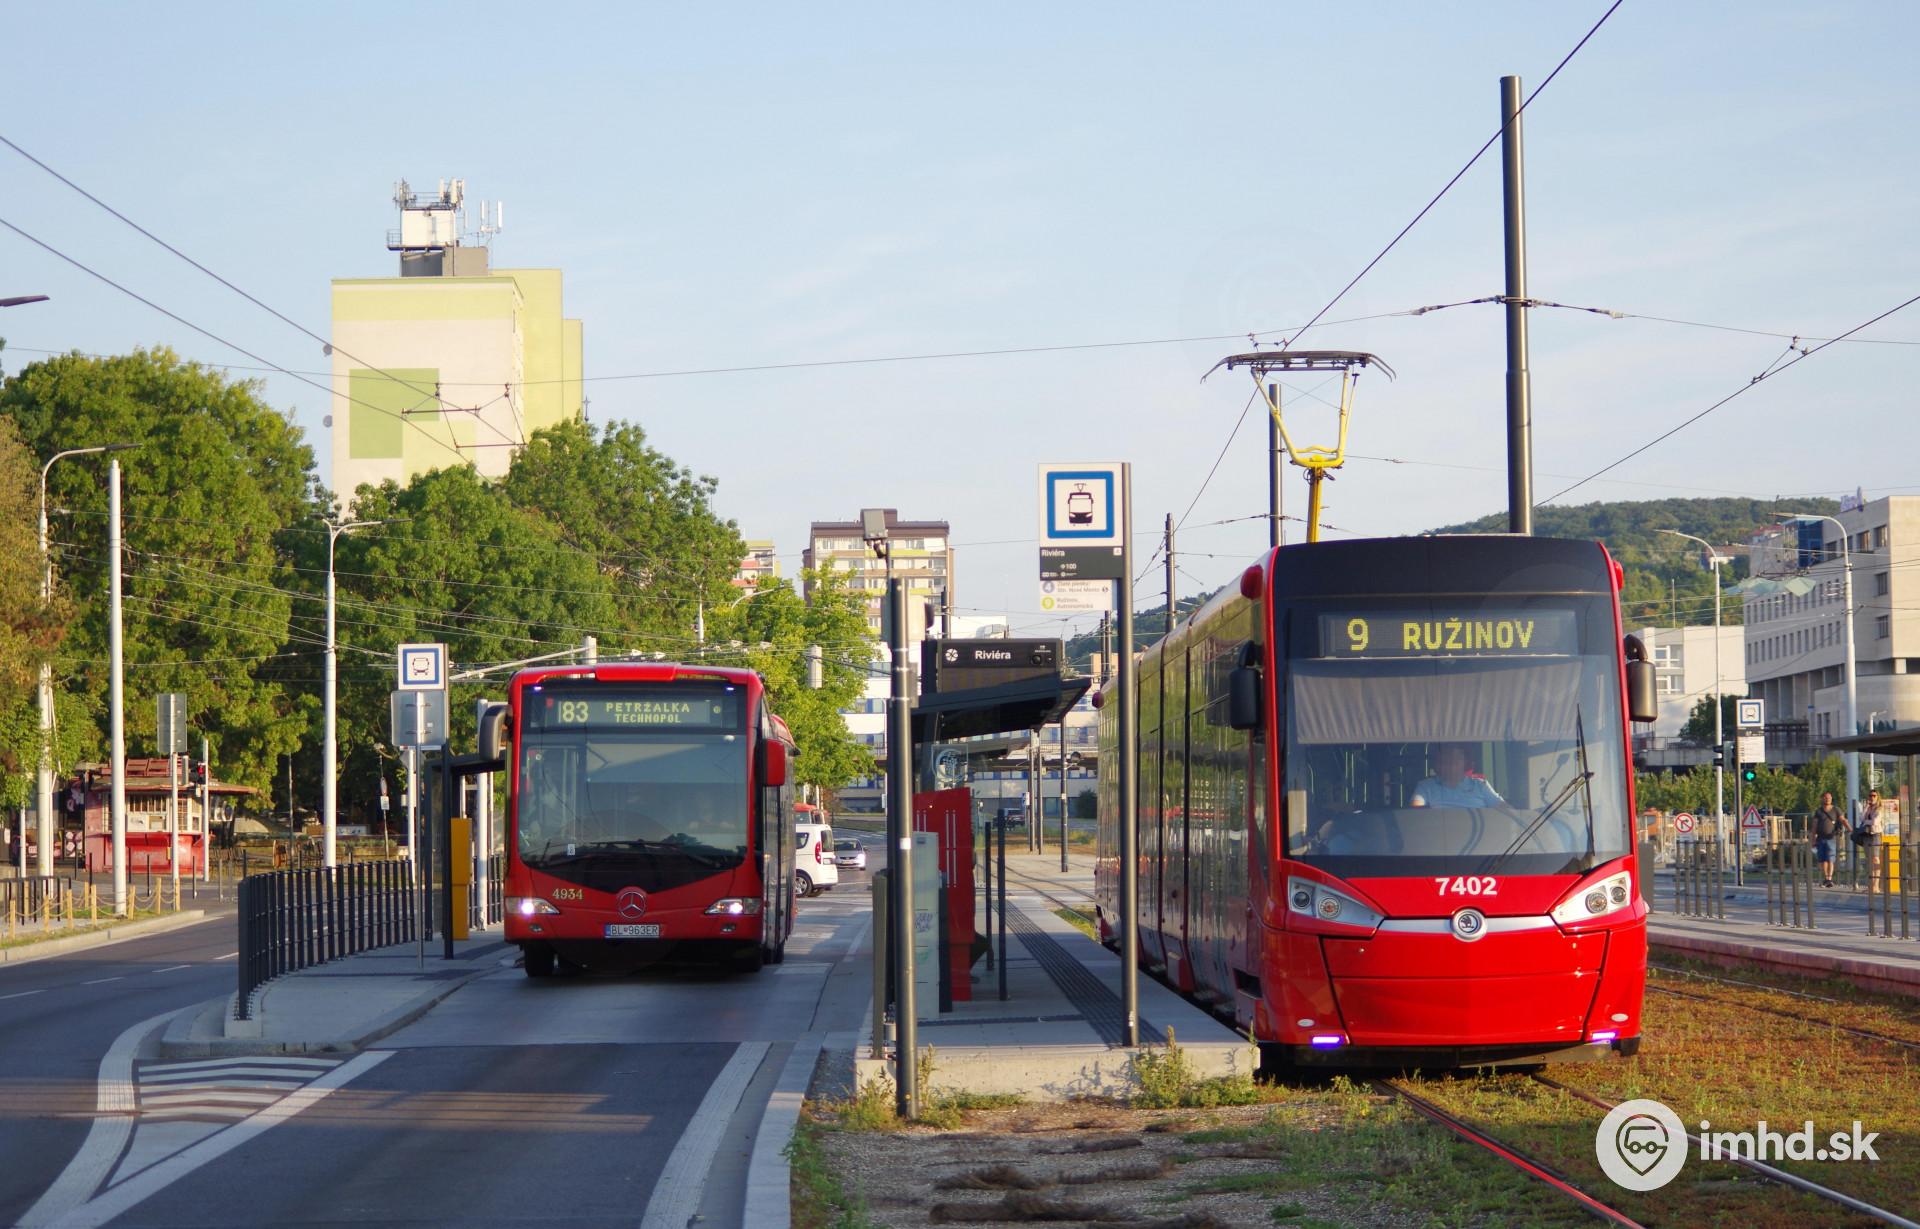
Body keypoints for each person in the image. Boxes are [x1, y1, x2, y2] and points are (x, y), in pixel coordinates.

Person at [1410, 745, 1506, 809]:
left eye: (1456, 759)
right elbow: (1416, 813)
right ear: (1439, 764)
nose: (1451, 763)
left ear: (1465, 763)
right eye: (1447, 759)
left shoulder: (1480, 785)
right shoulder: (1425, 787)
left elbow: (1506, 810)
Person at [1811, 792, 1844, 887]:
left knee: (1830, 858)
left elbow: (1842, 819)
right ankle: (1826, 878)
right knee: (1823, 860)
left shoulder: (1836, 810)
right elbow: (1814, 827)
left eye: (1829, 797)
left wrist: (1850, 829)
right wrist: (1813, 839)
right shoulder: (1818, 811)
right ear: (1822, 799)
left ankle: (1829, 879)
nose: (1827, 799)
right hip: (1820, 838)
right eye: (1825, 798)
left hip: (1831, 837)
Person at [1854, 789, 1885, 887]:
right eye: (1870, 795)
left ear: (1877, 797)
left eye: (1874, 795)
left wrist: (1867, 822)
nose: (1871, 797)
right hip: (1866, 835)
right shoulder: (1868, 808)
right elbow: (1861, 818)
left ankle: (1876, 885)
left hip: (1875, 834)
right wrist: (1867, 807)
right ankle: (1871, 885)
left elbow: (1875, 821)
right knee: (1870, 859)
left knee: (1876, 859)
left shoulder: (1879, 808)